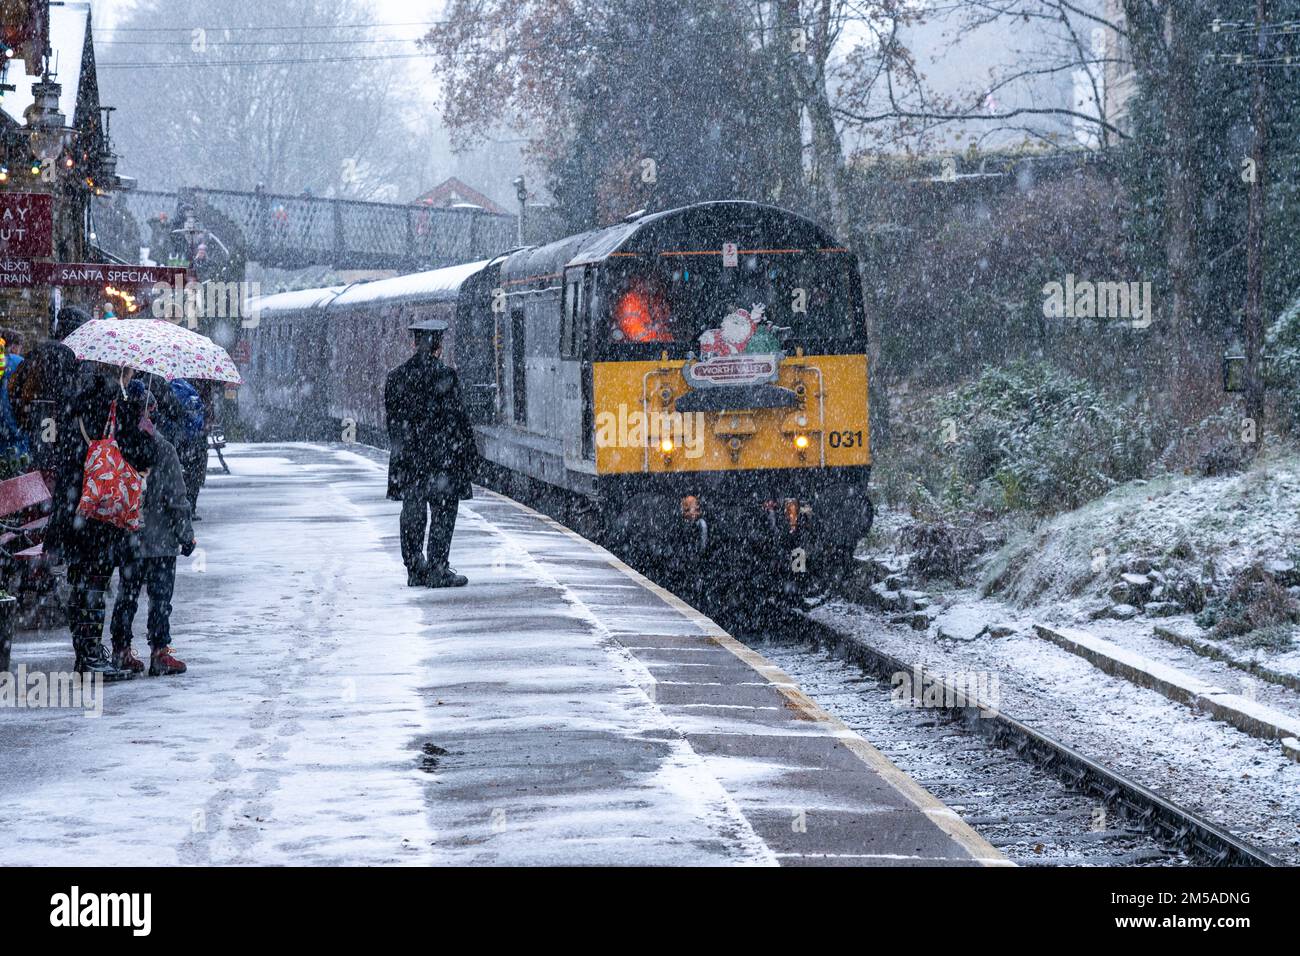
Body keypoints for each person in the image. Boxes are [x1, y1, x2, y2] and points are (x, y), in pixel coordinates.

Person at [46, 363, 158, 680]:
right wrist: (145, 428)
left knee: (80, 581)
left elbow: (58, 447)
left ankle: (85, 652)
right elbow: (142, 454)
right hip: (99, 509)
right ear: (122, 372)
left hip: (72, 503)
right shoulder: (114, 404)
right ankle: (92, 656)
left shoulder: (72, 400)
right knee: (95, 581)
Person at [384, 317, 477, 588]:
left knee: (412, 512)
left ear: (415, 343)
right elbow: (459, 421)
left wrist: (406, 449)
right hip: (442, 461)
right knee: (444, 513)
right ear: (439, 346)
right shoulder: (446, 377)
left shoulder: (396, 378)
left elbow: (393, 423)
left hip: (410, 459)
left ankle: (414, 568)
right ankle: (438, 568)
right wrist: (468, 456)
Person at [109, 387, 194, 676]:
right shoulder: (163, 448)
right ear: (151, 412)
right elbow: (176, 499)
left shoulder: (115, 447)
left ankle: (121, 651)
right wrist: (186, 535)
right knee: (160, 598)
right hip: (160, 540)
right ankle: (159, 652)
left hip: (128, 535)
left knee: (127, 595)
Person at [8, 306, 95, 478]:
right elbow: (84, 396)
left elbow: (15, 388)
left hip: (37, 427)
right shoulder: (79, 357)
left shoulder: (38, 352)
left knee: (38, 476)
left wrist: (25, 417)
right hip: (68, 436)